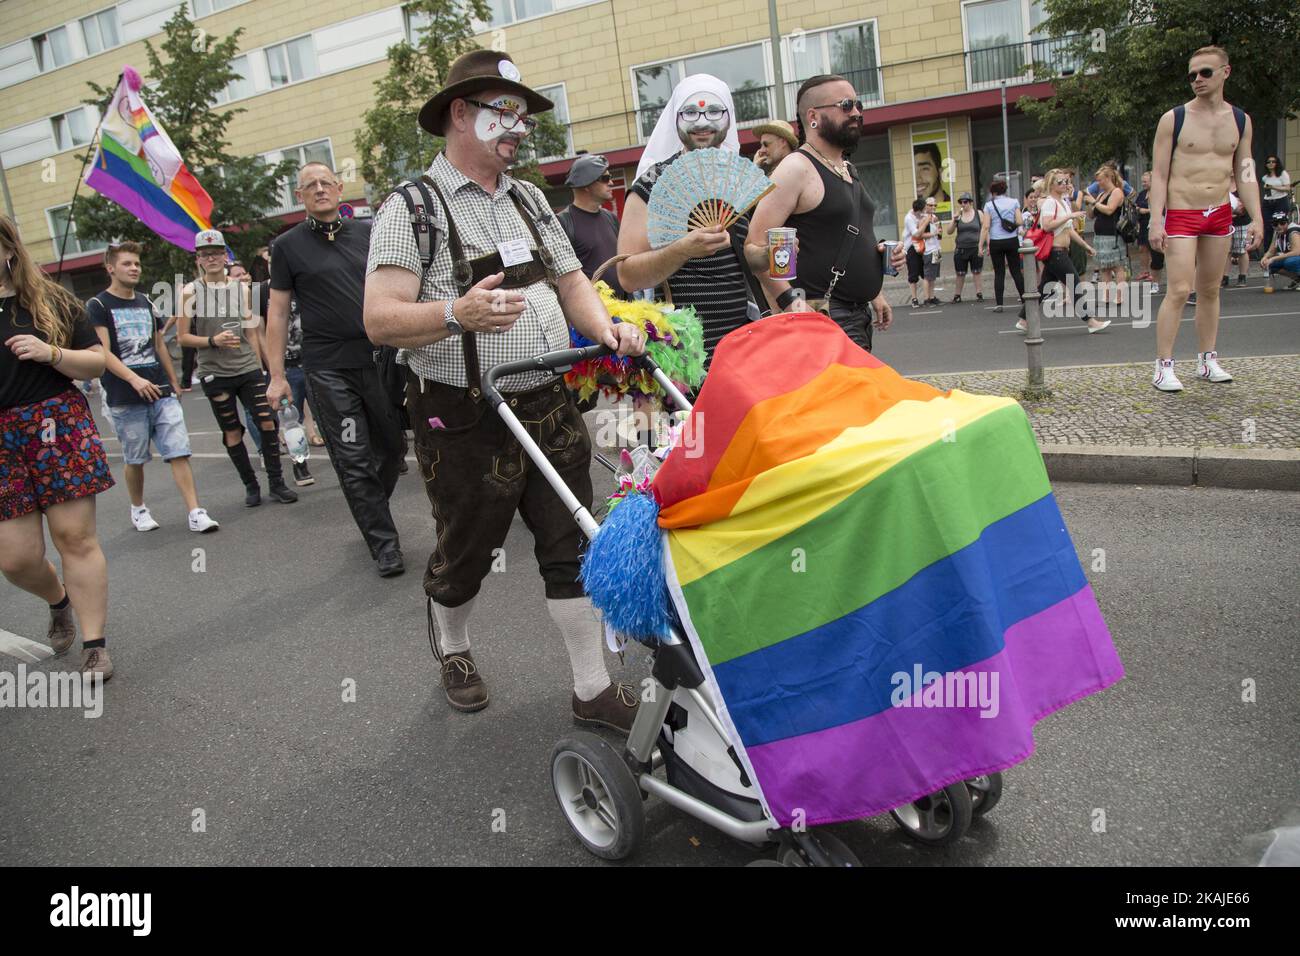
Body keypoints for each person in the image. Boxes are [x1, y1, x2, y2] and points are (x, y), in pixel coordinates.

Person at [363, 49, 645, 726]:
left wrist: (607, 331)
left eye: (522, 114)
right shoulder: (412, 209)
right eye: (504, 112)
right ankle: (453, 644)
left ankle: (591, 691)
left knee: (571, 540)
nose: (519, 127)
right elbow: (377, 319)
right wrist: (453, 313)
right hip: (461, 414)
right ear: (460, 115)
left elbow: (572, 279)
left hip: (547, 399)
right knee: (468, 553)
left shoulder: (527, 199)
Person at [266, 163, 405, 576]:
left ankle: (369, 509)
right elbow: (276, 313)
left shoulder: (368, 231)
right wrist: (276, 376)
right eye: (310, 186)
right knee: (354, 456)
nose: (320, 189)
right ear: (300, 195)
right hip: (327, 366)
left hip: (376, 358)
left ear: (341, 189)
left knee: (393, 448)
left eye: (327, 183)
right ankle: (385, 545)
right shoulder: (287, 246)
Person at [0, 214, 115, 680]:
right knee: (16, 557)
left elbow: (96, 364)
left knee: (75, 539)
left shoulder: (51, 300)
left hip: (56, 425)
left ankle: (95, 645)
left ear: (9, 249)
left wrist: (52, 354)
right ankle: (58, 600)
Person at [618, 74, 772, 359]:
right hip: (680, 355)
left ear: (729, 117)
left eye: (714, 111)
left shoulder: (737, 181)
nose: (703, 122)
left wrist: (766, 257)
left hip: (740, 351)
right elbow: (627, 275)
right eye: (690, 112)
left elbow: (740, 261)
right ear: (675, 119)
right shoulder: (650, 184)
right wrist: (683, 250)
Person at [744, 74, 903, 350]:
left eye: (858, 105)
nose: (856, 113)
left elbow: (844, 233)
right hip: (823, 316)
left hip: (857, 314)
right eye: (845, 105)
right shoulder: (796, 168)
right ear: (813, 116)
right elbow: (754, 247)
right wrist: (792, 303)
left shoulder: (847, 168)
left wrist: (875, 287)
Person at [1148, 45, 1263, 392]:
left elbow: (1245, 172)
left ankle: (1207, 360)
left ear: (1225, 72)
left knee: (1210, 289)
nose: (1197, 80)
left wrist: (1257, 217)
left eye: (1205, 73)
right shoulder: (1174, 118)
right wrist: (1156, 219)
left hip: (1219, 213)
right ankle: (1163, 366)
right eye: (1192, 75)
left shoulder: (1240, 120)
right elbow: (1159, 174)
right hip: (1182, 212)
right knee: (1180, 289)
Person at [86, 241, 218, 534]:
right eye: (127, 264)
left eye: (137, 264)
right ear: (111, 268)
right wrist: (133, 378)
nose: (134, 268)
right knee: (136, 458)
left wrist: (174, 381)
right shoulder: (98, 305)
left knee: (178, 450)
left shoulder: (145, 301)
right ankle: (138, 508)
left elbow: (158, 343)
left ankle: (195, 511)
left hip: (160, 390)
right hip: (124, 395)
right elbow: (102, 352)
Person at [177, 229, 298, 506]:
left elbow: (256, 332)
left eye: (217, 253)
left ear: (225, 255)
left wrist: (269, 371)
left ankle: (277, 483)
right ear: (198, 259)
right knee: (232, 431)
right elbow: (182, 337)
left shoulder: (244, 290)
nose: (212, 258)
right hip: (214, 371)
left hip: (247, 367)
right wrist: (212, 340)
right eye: (206, 254)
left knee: (267, 422)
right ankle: (250, 485)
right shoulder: (189, 292)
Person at [257, 256, 315, 486]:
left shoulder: (304, 282)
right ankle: (300, 466)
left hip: (314, 361)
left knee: (330, 414)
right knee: (292, 421)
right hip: (286, 366)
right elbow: (259, 331)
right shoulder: (261, 291)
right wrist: (273, 368)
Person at [1029, 169, 1110, 335]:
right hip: (1055, 251)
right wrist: (1069, 216)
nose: (1065, 184)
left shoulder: (1063, 202)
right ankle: (1091, 321)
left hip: (1061, 251)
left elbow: (1069, 231)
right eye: (1061, 182)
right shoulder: (1050, 202)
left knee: (1045, 288)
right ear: (1051, 185)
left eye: (1066, 181)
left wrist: (1084, 245)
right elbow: (1046, 225)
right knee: (1075, 284)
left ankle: (1024, 320)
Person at [557, 153, 627, 298]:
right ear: (586, 184)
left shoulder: (610, 217)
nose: (611, 183)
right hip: (591, 314)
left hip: (626, 310)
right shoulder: (562, 223)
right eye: (605, 178)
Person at [1089, 166, 1129, 311]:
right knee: (1104, 267)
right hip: (1100, 235)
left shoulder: (1116, 192)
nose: (1098, 183)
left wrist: (1094, 203)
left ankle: (1120, 296)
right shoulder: (1101, 194)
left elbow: (1110, 209)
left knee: (1117, 266)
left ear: (1108, 178)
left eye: (1100, 180)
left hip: (1112, 234)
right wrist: (1091, 203)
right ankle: (1105, 296)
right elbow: (1091, 215)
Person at [984, 178, 1024, 313]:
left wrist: (981, 244)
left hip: (996, 241)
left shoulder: (989, 206)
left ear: (993, 192)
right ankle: (1025, 299)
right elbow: (1019, 220)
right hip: (1012, 240)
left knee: (999, 272)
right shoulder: (1014, 202)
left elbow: (986, 226)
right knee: (1016, 270)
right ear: (1005, 190)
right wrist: (1011, 225)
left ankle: (999, 304)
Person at [945, 191, 987, 302]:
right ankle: (957, 295)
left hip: (975, 246)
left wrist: (985, 244)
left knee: (977, 271)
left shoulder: (978, 214)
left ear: (970, 202)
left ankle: (979, 293)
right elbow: (949, 231)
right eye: (961, 202)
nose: (963, 204)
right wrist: (954, 220)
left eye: (966, 202)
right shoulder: (958, 215)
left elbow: (984, 229)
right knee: (960, 273)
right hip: (961, 248)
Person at [903, 197, 941, 307]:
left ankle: (931, 297)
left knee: (930, 274)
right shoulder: (909, 218)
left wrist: (935, 225)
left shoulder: (927, 216)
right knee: (914, 273)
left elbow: (939, 232)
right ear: (921, 209)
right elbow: (917, 234)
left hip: (933, 248)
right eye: (929, 206)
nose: (932, 207)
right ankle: (917, 299)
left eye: (934, 205)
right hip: (912, 247)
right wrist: (930, 228)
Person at [1134, 171, 1165, 293]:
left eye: (1145, 181)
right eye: (1142, 181)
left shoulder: (1162, 193)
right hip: (1151, 226)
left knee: (1171, 256)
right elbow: (1139, 207)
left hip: (1166, 224)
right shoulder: (1144, 194)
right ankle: (1155, 283)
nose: (1143, 184)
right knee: (1156, 257)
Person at [1260, 216, 1300, 292]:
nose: (1279, 226)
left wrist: (1273, 258)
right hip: (1294, 257)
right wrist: (1264, 258)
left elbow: (1297, 251)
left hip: (1296, 256)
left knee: (1290, 262)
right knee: (1269, 265)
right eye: (1275, 224)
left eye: (1282, 223)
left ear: (1287, 223)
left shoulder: (1293, 232)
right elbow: (1271, 251)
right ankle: (1297, 279)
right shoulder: (1277, 233)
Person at [1223, 186, 1251, 287]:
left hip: (1241, 221)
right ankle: (1224, 277)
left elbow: (1247, 204)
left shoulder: (1241, 185)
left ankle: (1242, 276)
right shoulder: (1222, 183)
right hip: (1224, 221)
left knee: (1241, 250)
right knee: (1226, 250)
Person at [913, 142, 950, 206]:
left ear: (940, 172)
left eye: (924, 169)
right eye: (912, 171)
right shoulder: (912, 214)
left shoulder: (954, 207)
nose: (917, 179)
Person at [1260, 155, 1292, 225]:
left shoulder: (1283, 174)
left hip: (1280, 201)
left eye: (1273, 162)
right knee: (1267, 225)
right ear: (1266, 164)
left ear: (1277, 163)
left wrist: (1272, 187)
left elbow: (1287, 188)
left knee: (1279, 224)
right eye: (1268, 162)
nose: (1271, 163)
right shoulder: (1265, 177)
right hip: (1267, 202)